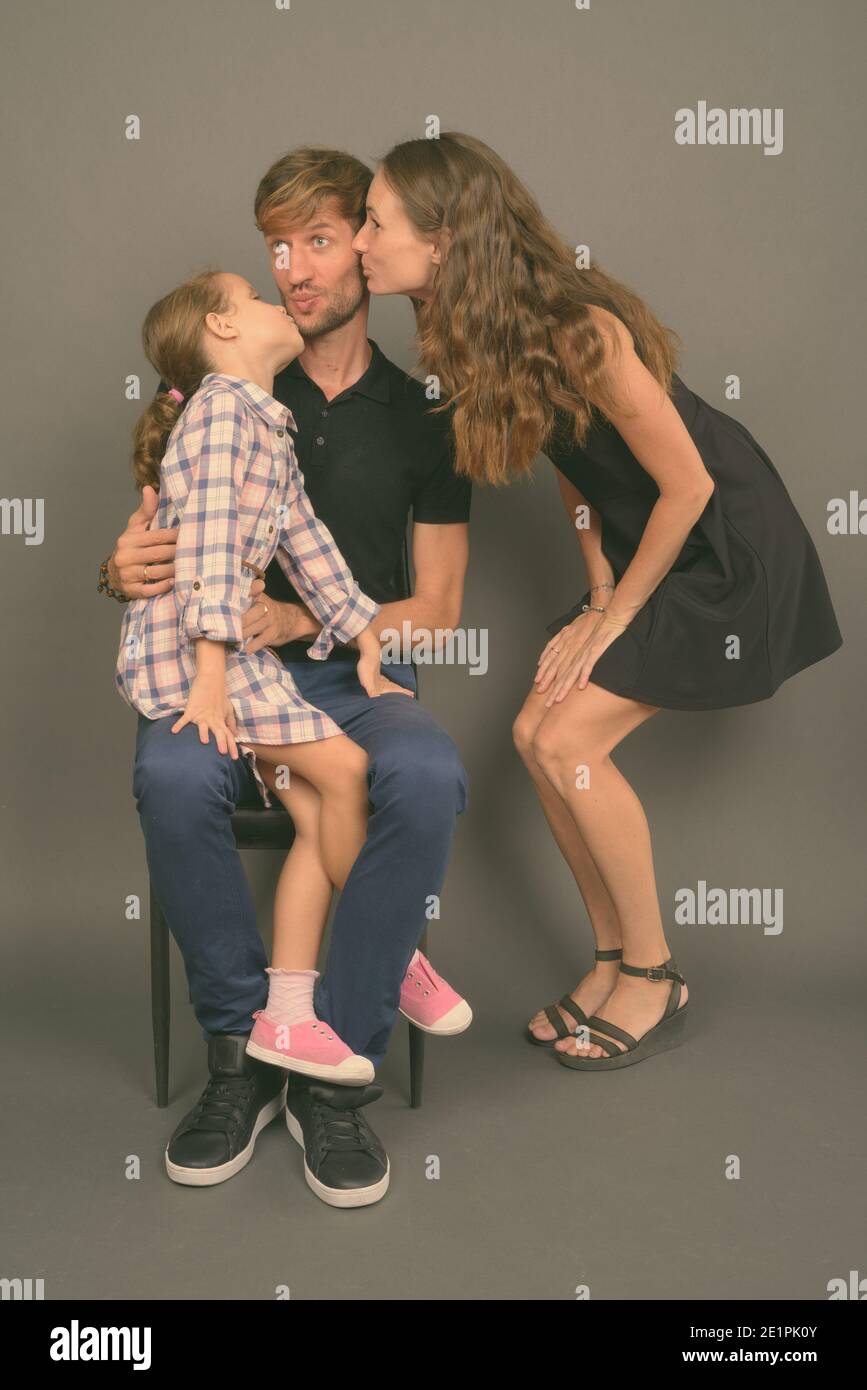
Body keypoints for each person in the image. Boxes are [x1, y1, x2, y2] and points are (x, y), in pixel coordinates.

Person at [351, 129, 844, 1072]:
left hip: (726, 546)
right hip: (646, 555)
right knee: (535, 736)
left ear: (446, 239)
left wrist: (616, 618)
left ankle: (655, 975)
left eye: (377, 222)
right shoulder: (473, 332)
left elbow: (691, 486)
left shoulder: (578, 327)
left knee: (568, 739)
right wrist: (598, 586)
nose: (363, 239)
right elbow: (574, 464)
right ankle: (612, 958)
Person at [101, 148, 472, 1206]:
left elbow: (436, 606)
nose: (295, 269)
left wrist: (322, 620)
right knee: (171, 780)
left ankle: (334, 1070)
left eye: (317, 240)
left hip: (344, 680)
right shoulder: (224, 395)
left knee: (427, 775)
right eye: (275, 248)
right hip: (221, 674)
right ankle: (239, 1056)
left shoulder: (424, 414)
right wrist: (116, 566)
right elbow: (168, 536)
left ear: (366, 243)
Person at [118, 264, 414, 1100]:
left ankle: (286, 1009)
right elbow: (209, 554)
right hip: (197, 659)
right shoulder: (217, 414)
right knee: (349, 773)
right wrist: (209, 684)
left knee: (321, 807)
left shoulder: (261, 422)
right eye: (251, 296)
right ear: (221, 329)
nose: (275, 300)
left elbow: (306, 544)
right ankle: (396, 955)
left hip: (229, 661)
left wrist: (360, 636)